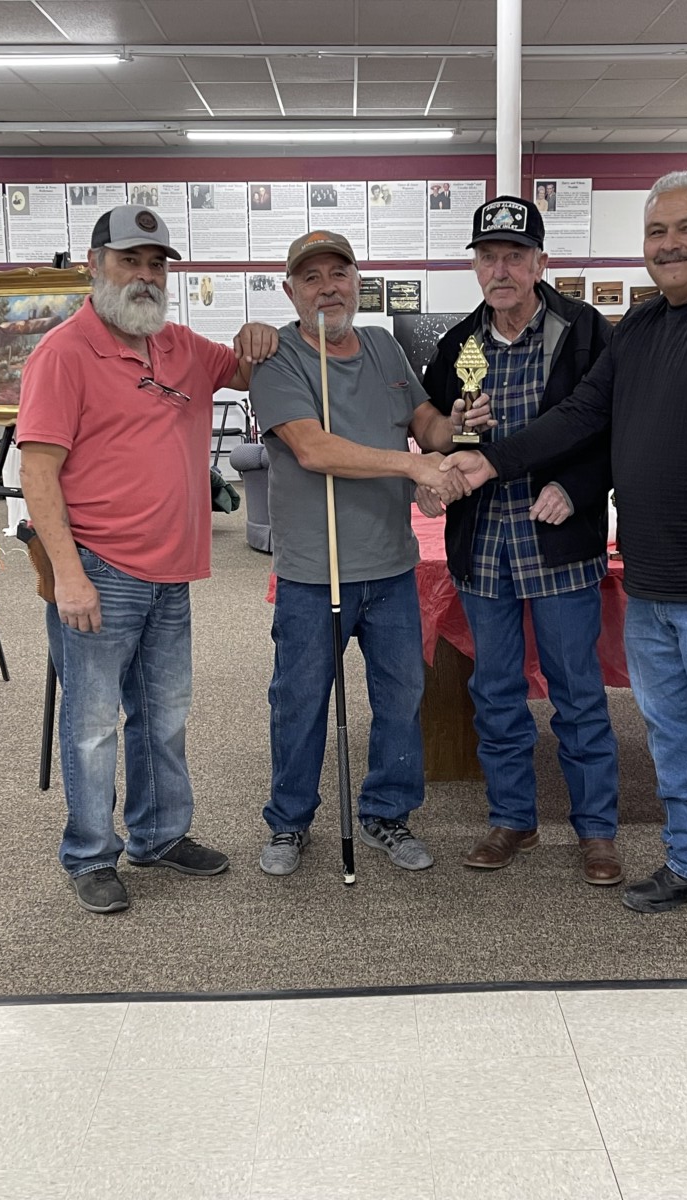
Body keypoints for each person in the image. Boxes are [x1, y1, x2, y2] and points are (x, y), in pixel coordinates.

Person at [444, 170, 687, 948]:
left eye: (686, 229)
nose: (669, 246)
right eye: (656, 234)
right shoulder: (644, 327)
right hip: (651, 578)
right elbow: (584, 414)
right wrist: (493, 462)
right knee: (675, 739)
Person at [16, 204, 279, 915]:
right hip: (98, 570)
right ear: (97, 265)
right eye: (131, 260)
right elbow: (37, 472)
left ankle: (159, 836)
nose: (145, 275)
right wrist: (66, 575)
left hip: (173, 573)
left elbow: (251, 372)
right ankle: (90, 854)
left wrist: (259, 336)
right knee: (95, 724)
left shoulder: (181, 347)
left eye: (157, 264)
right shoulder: (63, 354)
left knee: (164, 716)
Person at [248, 229, 491, 878]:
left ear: (357, 280)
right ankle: (290, 822)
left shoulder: (384, 345)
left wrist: (459, 424)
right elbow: (315, 450)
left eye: (340, 272)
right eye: (312, 277)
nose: (328, 286)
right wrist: (414, 469)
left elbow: (427, 425)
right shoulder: (277, 360)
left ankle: (388, 812)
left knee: (402, 696)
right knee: (299, 703)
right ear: (291, 290)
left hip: (389, 568)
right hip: (312, 575)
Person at [421, 195, 621, 884]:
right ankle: (512, 820)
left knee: (577, 692)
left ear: (541, 262)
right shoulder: (459, 345)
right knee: (496, 691)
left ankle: (596, 831)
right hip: (484, 548)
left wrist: (581, 487)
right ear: (475, 266)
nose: (500, 269)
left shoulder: (587, 332)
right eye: (488, 257)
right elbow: (440, 438)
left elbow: (616, 429)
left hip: (558, 543)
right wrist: (453, 425)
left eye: (514, 256)